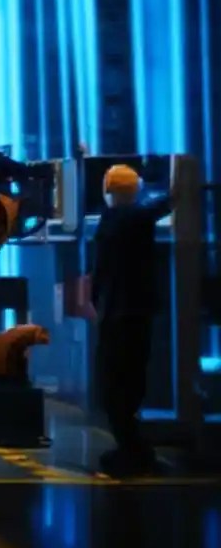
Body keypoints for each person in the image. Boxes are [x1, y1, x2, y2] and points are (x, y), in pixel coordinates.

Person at [90, 163, 174, 475]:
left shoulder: (109, 220)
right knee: (128, 383)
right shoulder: (133, 219)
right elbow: (167, 201)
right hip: (132, 314)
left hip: (113, 314)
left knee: (114, 386)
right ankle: (134, 451)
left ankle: (131, 448)